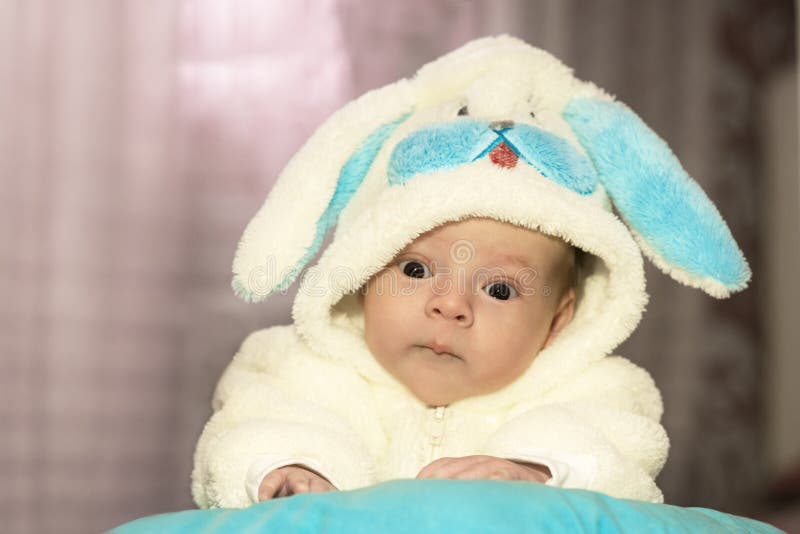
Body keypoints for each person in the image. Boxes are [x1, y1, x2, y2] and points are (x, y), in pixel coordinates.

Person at [191, 35, 749, 509]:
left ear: (558, 320)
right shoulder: (302, 369)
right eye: (414, 269)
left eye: (500, 289)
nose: (450, 305)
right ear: (361, 270)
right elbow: (250, 422)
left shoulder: (592, 391)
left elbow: (620, 455)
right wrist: (291, 466)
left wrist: (531, 471)